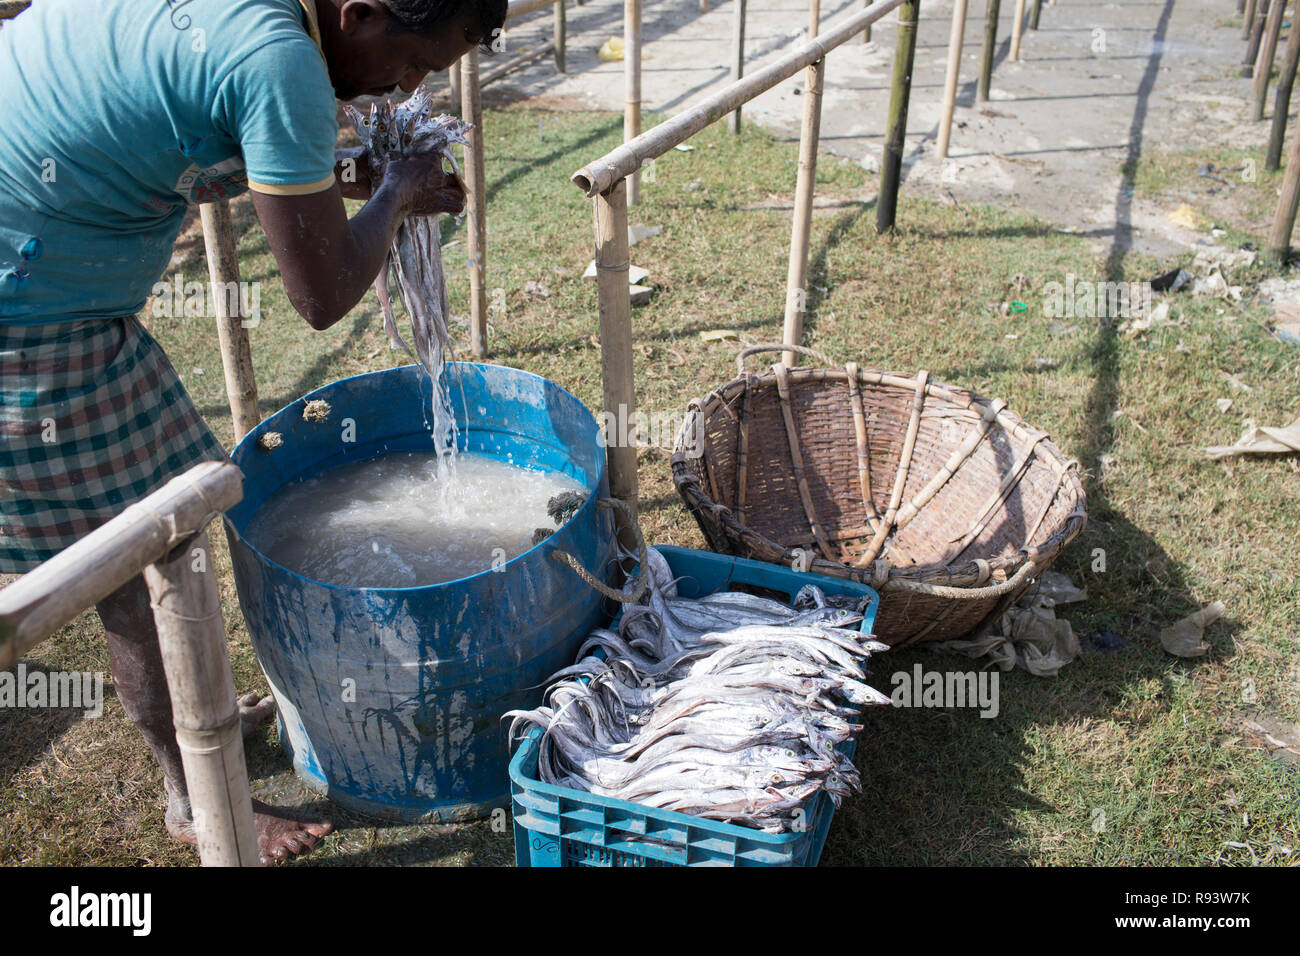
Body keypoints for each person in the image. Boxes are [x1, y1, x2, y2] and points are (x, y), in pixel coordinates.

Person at [0, 0, 506, 864]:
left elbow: (194, 123)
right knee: (143, 552)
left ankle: (205, 725)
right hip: (27, 321)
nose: (409, 85)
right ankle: (198, 794)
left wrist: (347, 179)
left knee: (177, 519)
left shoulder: (265, 22)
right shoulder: (280, 63)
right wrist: (394, 191)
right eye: (415, 59)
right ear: (360, 14)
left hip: (47, 278)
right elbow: (321, 296)